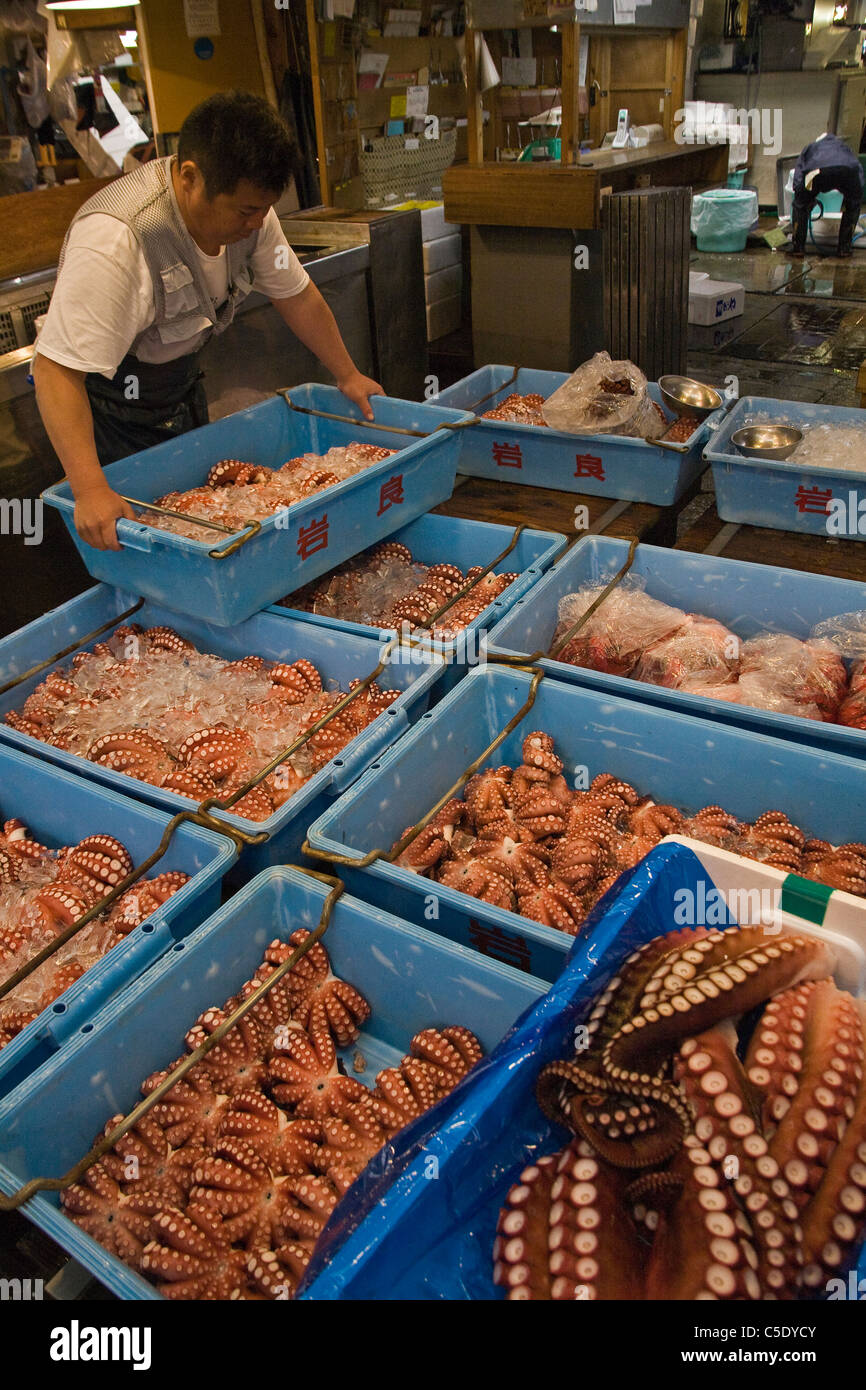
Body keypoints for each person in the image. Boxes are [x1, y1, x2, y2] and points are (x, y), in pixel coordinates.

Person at [32, 90, 383, 551]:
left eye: (265, 209)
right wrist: (90, 489)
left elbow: (295, 294)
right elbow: (56, 370)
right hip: (108, 409)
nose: (258, 223)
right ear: (190, 177)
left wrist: (348, 374)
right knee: (143, 546)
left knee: (197, 526)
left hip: (178, 386)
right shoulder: (118, 240)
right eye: (246, 211)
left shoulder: (252, 214)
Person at [789, 132, 864, 259]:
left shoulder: (811, 147)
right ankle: (844, 249)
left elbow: (799, 174)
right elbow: (858, 169)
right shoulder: (844, 148)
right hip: (846, 172)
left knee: (799, 205)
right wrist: (854, 198)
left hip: (816, 172)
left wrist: (803, 197)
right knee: (853, 206)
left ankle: (798, 248)